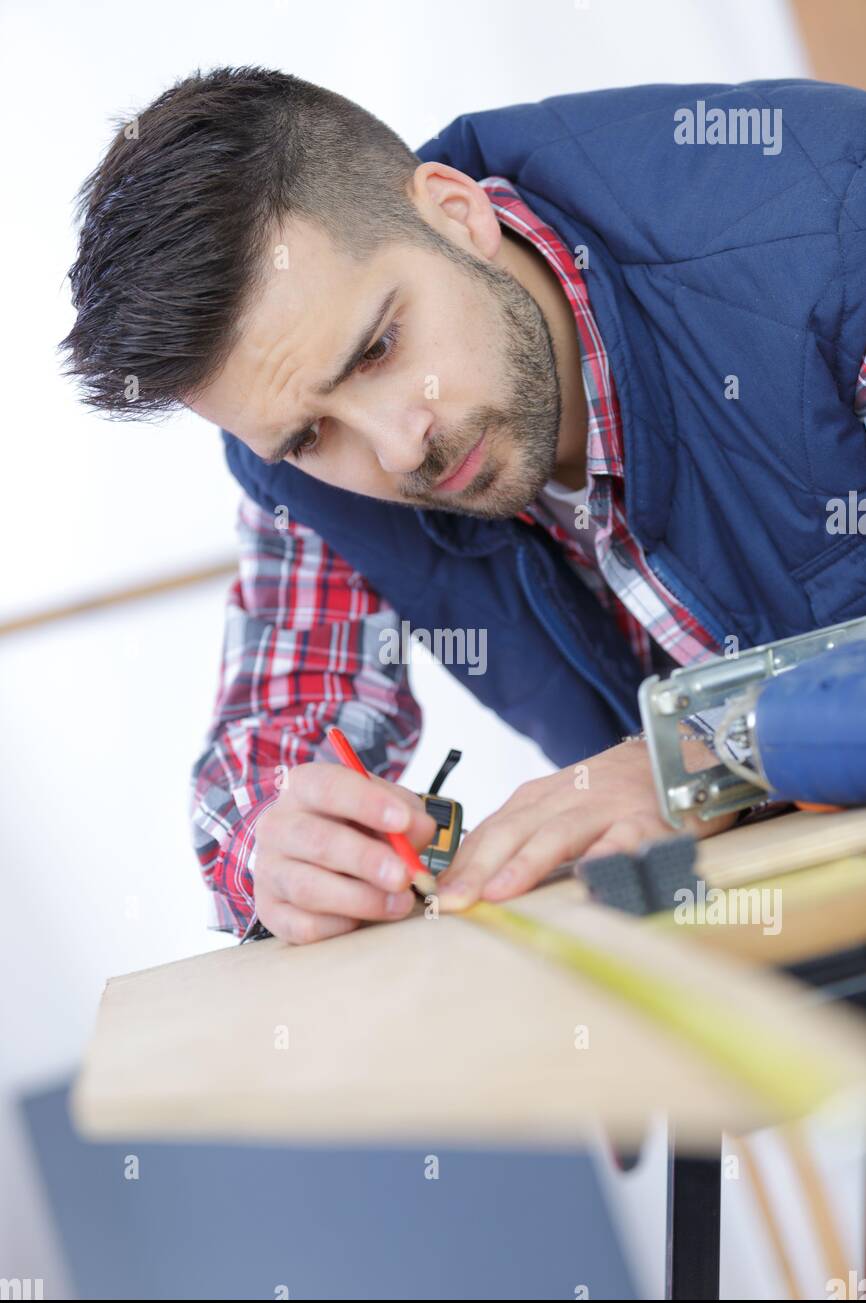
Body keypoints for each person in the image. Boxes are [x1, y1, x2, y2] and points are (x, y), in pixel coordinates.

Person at [60, 68, 866, 942]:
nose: (397, 449)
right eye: (306, 437)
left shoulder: (835, 223)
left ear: (456, 210)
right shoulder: (296, 436)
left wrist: (700, 755)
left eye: (378, 350)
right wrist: (281, 849)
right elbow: (269, 737)